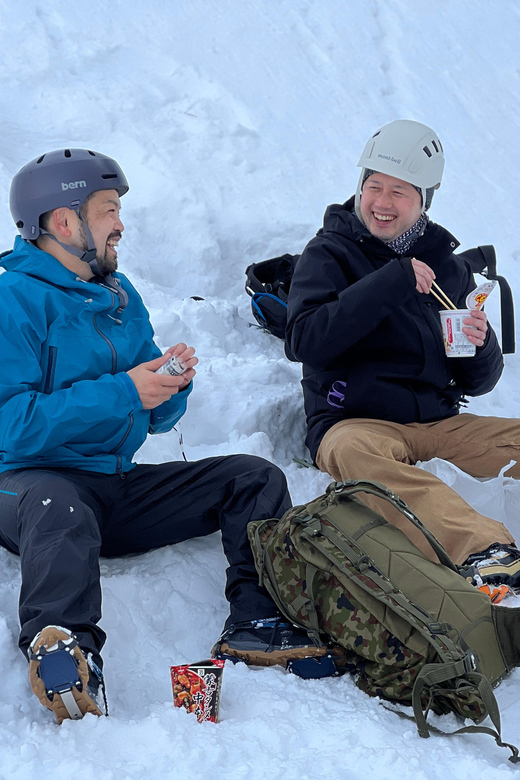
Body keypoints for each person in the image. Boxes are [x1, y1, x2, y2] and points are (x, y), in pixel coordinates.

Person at [0, 149, 322, 725]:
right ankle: (65, 657)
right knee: (60, 507)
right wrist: (126, 391)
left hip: (111, 486)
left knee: (252, 477)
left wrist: (169, 386)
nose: (120, 224)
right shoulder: (10, 300)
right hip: (26, 490)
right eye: (108, 210)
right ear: (63, 221)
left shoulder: (120, 295)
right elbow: (11, 423)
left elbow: (152, 419)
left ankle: (259, 620)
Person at [286, 119, 520, 586]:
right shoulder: (329, 254)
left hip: (439, 424)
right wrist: (391, 280)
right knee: (355, 454)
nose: (382, 203)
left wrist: (480, 343)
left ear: (423, 201)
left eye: (399, 192)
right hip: (354, 424)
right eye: (374, 187)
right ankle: (485, 549)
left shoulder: (448, 270)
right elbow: (305, 339)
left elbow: (480, 381)